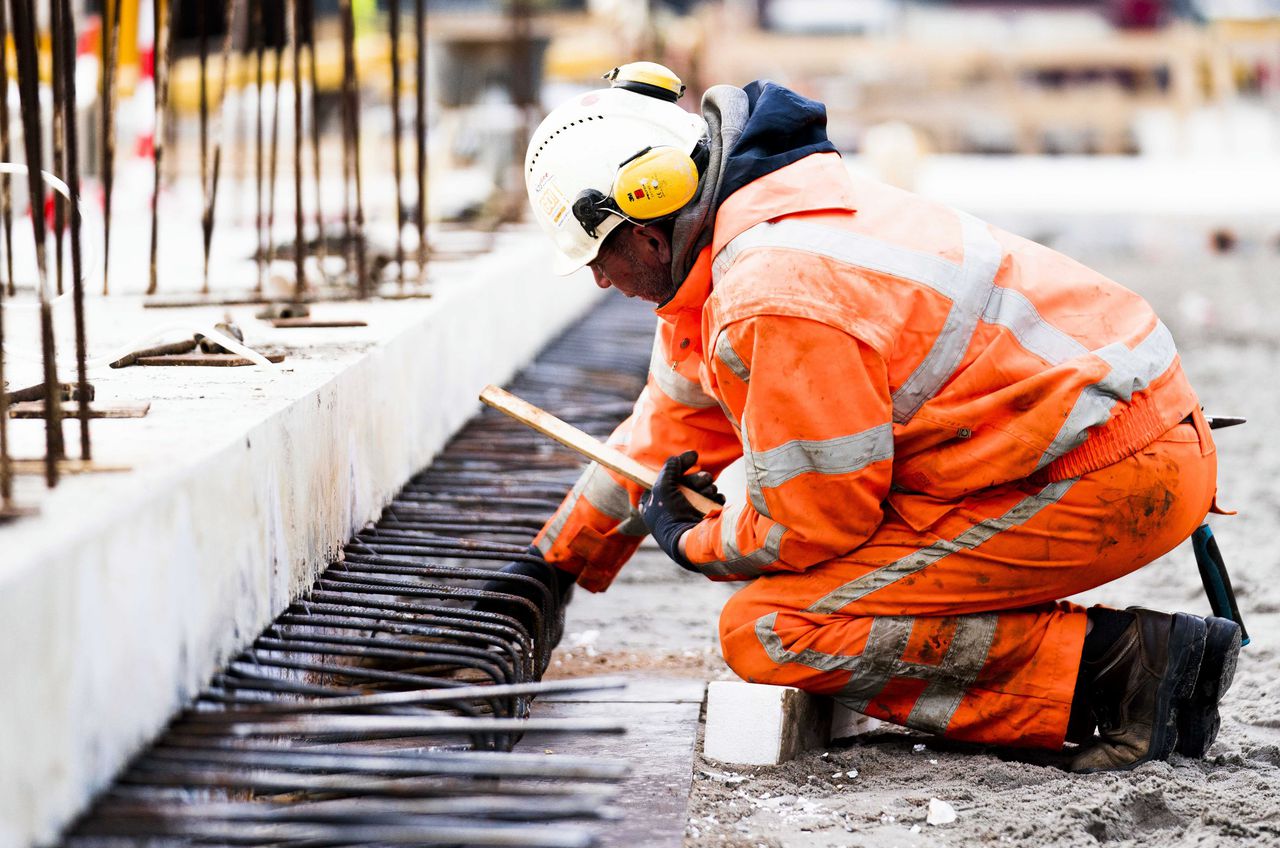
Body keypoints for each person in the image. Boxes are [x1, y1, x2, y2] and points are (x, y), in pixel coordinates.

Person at [502, 61, 1240, 771]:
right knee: (803, 591)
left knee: (772, 627)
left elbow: (813, 522)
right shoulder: (748, 231)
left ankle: (1122, 677)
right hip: (1093, 439)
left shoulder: (772, 290)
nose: (598, 277)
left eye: (598, 253)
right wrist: (554, 563)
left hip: (1101, 471)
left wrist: (697, 543)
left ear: (646, 223)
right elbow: (668, 427)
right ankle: (1121, 667)